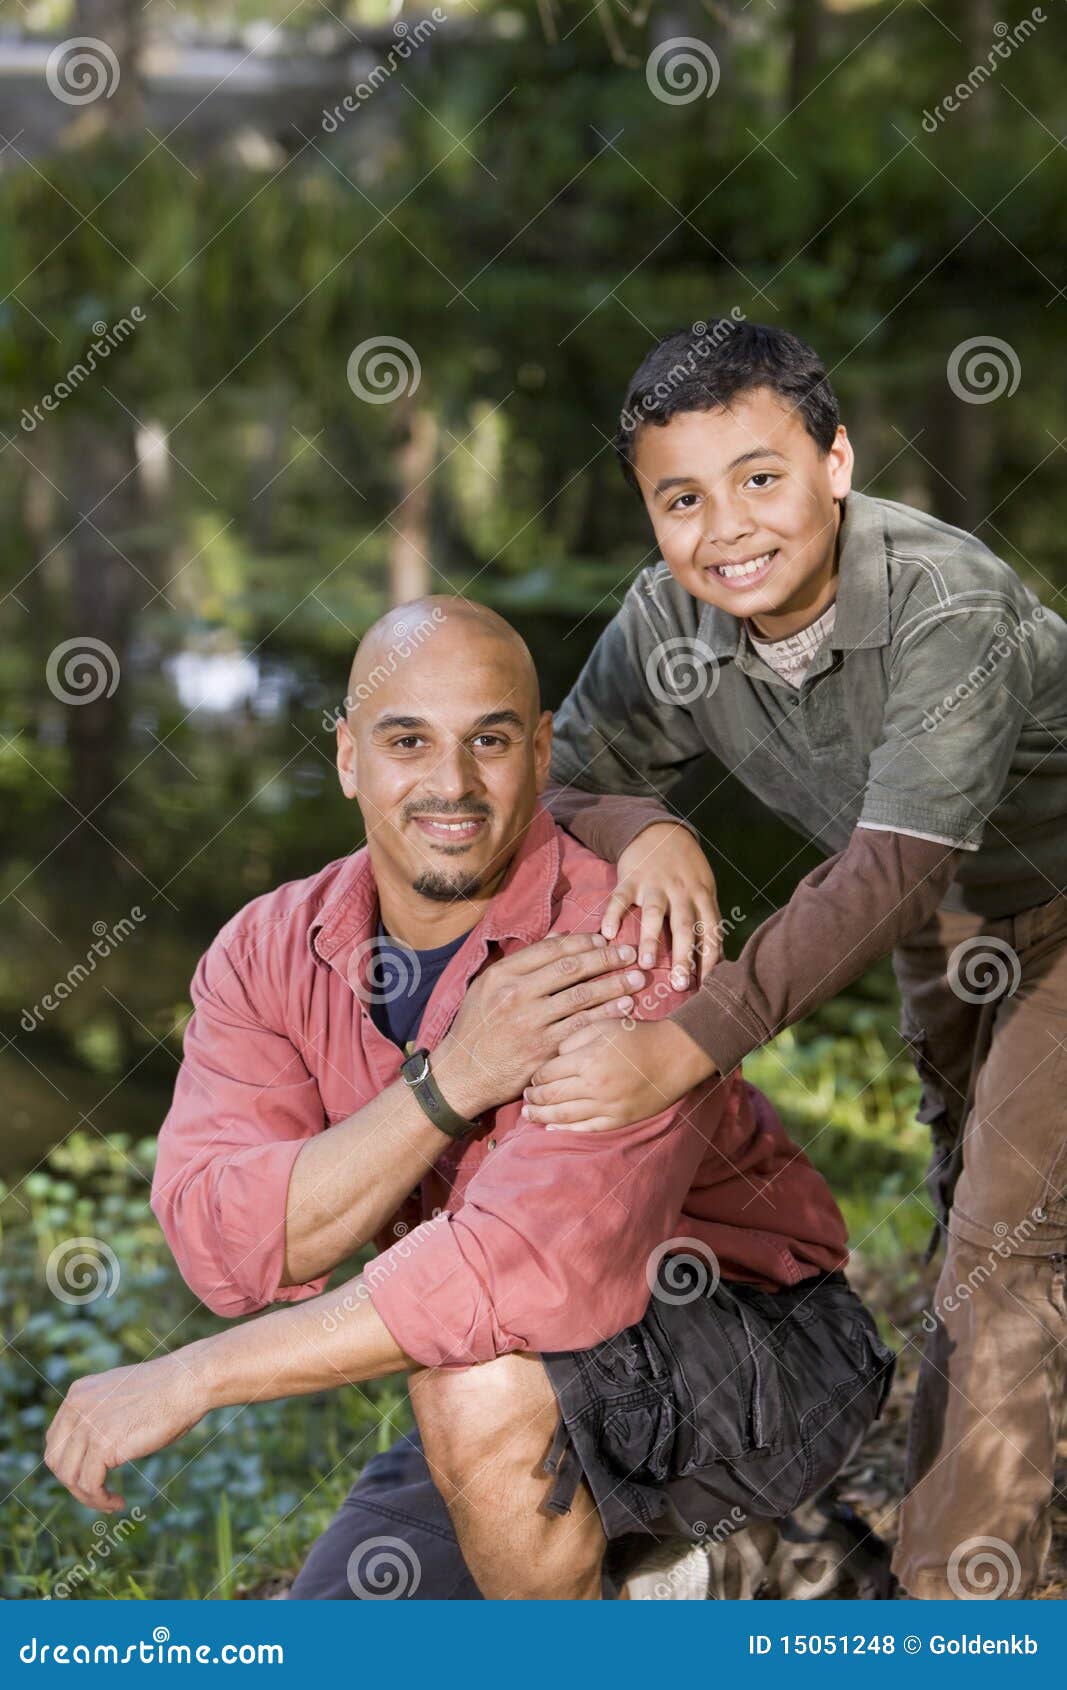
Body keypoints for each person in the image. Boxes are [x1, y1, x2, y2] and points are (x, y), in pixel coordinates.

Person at [43, 599, 893, 1601]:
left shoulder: (625, 936)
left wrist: (192, 1375)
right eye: (407, 741)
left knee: (475, 1392)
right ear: (349, 757)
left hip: (753, 1340)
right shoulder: (268, 950)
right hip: (514, 1365)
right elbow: (227, 1242)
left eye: (488, 741)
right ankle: (681, 1565)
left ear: (540, 752)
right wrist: (447, 1084)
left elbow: (519, 1266)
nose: (450, 783)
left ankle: (744, 1555)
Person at [532, 318, 1067, 1600]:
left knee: (1004, 1244)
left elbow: (889, 871)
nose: (724, 528)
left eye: (759, 477)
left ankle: (955, 1619)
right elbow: (564, 780)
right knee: (979, 1194)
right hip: (953, 931)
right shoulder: (668, 618)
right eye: (680, 498)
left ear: (834, 462)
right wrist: (648, 827)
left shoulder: (946, 604)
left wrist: (680, 1045)